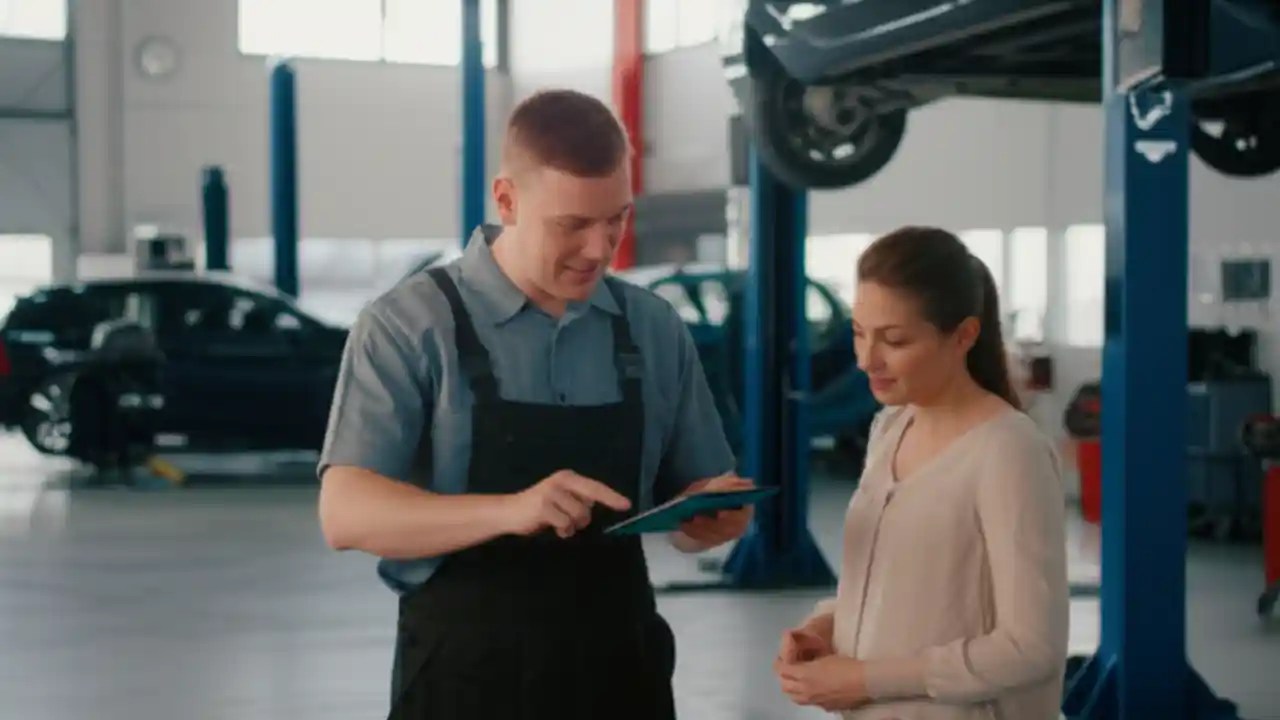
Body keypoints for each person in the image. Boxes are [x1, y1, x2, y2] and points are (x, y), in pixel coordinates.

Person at [316, 88, 753, 720]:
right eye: (572, 225)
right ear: (506, 200)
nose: (600, 250)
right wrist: (511, 510)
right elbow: (347, 514)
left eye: (616, 220)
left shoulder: (654, 330)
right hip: (465, 681)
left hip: (621, 677)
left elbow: (693, 504)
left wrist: (709, 520)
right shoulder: (409, 325)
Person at [774, 227, 1069, 719]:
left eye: (894, 339)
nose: (868, 359)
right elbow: (909, 591)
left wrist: (865, 679)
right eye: (858, 333)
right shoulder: (891, 428)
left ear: (964, 336)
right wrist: (829, 626)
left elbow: (1031, 646)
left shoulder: (1008, 451)